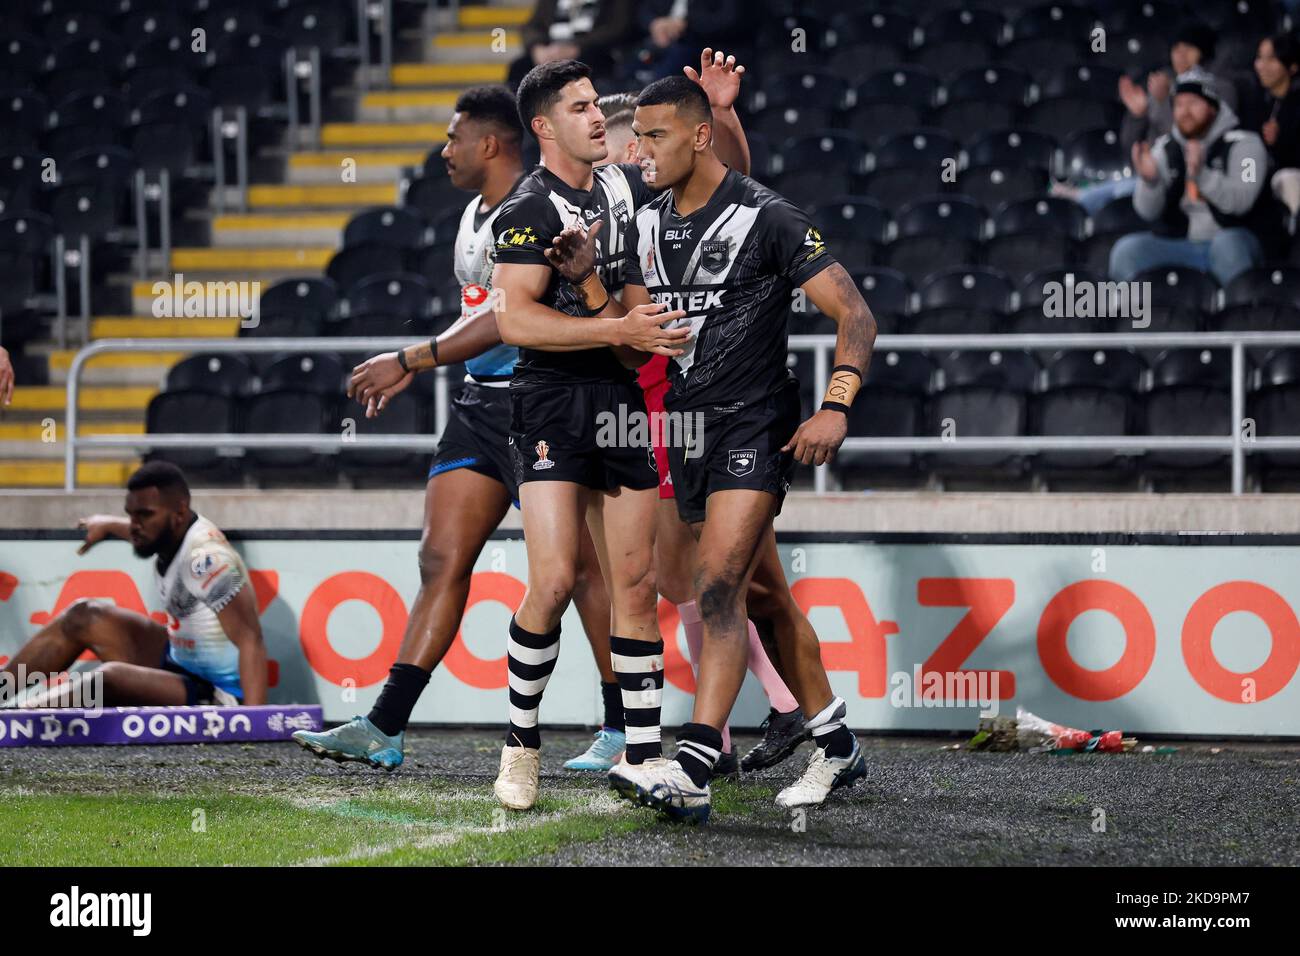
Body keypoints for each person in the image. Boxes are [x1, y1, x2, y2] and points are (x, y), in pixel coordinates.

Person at [548, 75, 877, 821]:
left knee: (717, 587)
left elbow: (855, 313)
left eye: (655, 136)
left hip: (755, 424)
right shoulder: (642, 229)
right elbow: (638, 350)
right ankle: (837, 744)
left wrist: (837, 405)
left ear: (700, 136)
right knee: (761, 598)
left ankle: (693, 760)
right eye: (636, 137)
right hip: (686, 430)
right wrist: (590, 289)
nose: (638, 150)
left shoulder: (769, 217)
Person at [291, 87, 628, 771]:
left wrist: (411, 358)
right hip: (481, 406)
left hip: (543, 402)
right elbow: (485, 311)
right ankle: (386, 724)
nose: (444, 152)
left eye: (454, 139)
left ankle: (620, 726)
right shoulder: (474, 216)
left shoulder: (538, 208)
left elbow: (505, 319)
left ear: (492, 144)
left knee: (584, 572)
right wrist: (423, 359)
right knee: (441, 560)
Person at [486, 52, 750, 811]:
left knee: (635, 587)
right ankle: (521, 741)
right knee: (557, 577)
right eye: (579, 108)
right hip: (548, 403)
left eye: (597, 103)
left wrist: (722, 116)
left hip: (620, 397)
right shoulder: (528, 210)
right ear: (543, 127)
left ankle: (640, 756)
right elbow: (515, 319)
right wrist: (617, 326)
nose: (599, 116)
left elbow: (730, 180)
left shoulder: (625, 188)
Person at [594, 92, 807, 775]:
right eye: (630, 140)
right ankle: (798, 719)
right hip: (651, 399)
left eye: (635, 139)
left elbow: (735, 189)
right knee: (731, 584)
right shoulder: (610, 199)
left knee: (691, 583)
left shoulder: (640, 189)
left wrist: (726, 115)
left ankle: (712, 731)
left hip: (677, 401)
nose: (628, 150)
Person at [0, 462, 266, 708]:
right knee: (84, 615)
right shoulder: (169, 530)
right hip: (177, 660)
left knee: (110, 678)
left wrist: (253, 725)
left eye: (144, 515)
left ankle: (19, 718)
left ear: (180, 512)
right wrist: (109, 524)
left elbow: (250, 639)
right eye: (130, 514)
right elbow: (142, 531)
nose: (135, 525)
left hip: (216, 694)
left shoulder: (208, 560)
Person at [1110, 67, 1287, 288]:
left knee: (1227, 246)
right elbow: (1147, 212)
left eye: (1193, 103)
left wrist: (1201, 174)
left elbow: (1243, 200)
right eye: (1179, 105)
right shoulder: (1166, 148)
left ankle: (1237, 313)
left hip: (1235, 240)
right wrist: (1150, 182)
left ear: (1213, 107)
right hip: (1184, 243)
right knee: (1127, 251)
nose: (1185, 112)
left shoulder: (1246, 145)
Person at [508, 0, 636, 90]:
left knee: (591, 63)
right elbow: (532, 25)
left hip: (592, 51)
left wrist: (576, 47)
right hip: (551, 51)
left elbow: (618, 28)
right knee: (520, 67)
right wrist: (537, 47)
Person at [1241, 32, 1300, 218]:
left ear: (1292, 66)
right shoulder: (1255, 102)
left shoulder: (1296, 104)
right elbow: (1247, 152)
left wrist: (1280, 140)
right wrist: (1246, 181)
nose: (1262, 66)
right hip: (1260, 186)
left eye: (1271, 59)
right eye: (1259, 57)